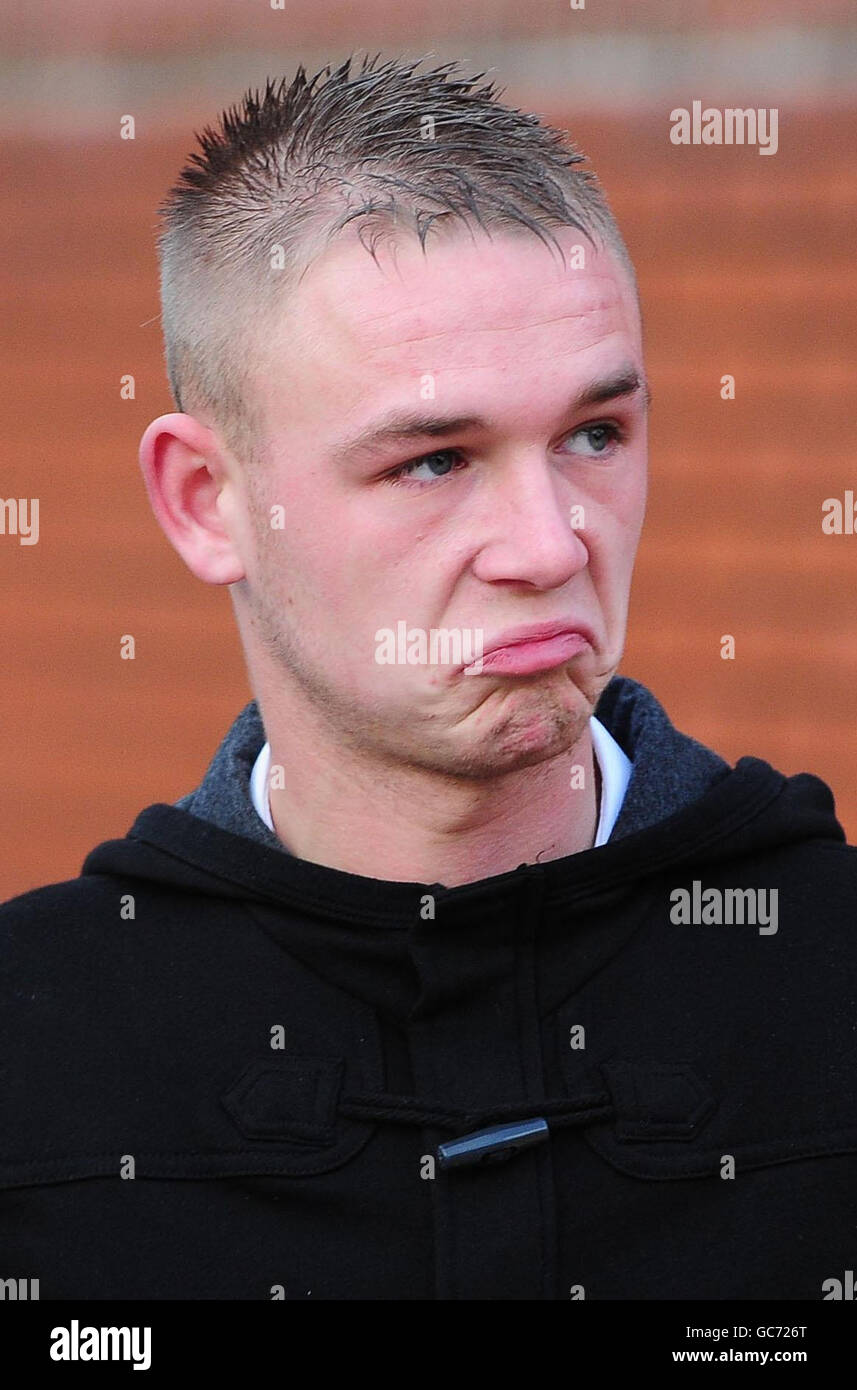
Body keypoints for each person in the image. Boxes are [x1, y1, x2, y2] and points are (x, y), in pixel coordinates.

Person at [1, 53, 855, 1301]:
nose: (552, 543)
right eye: (434, 460)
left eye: (594, 434)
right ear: (207, 501)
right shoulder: (40, 1060)